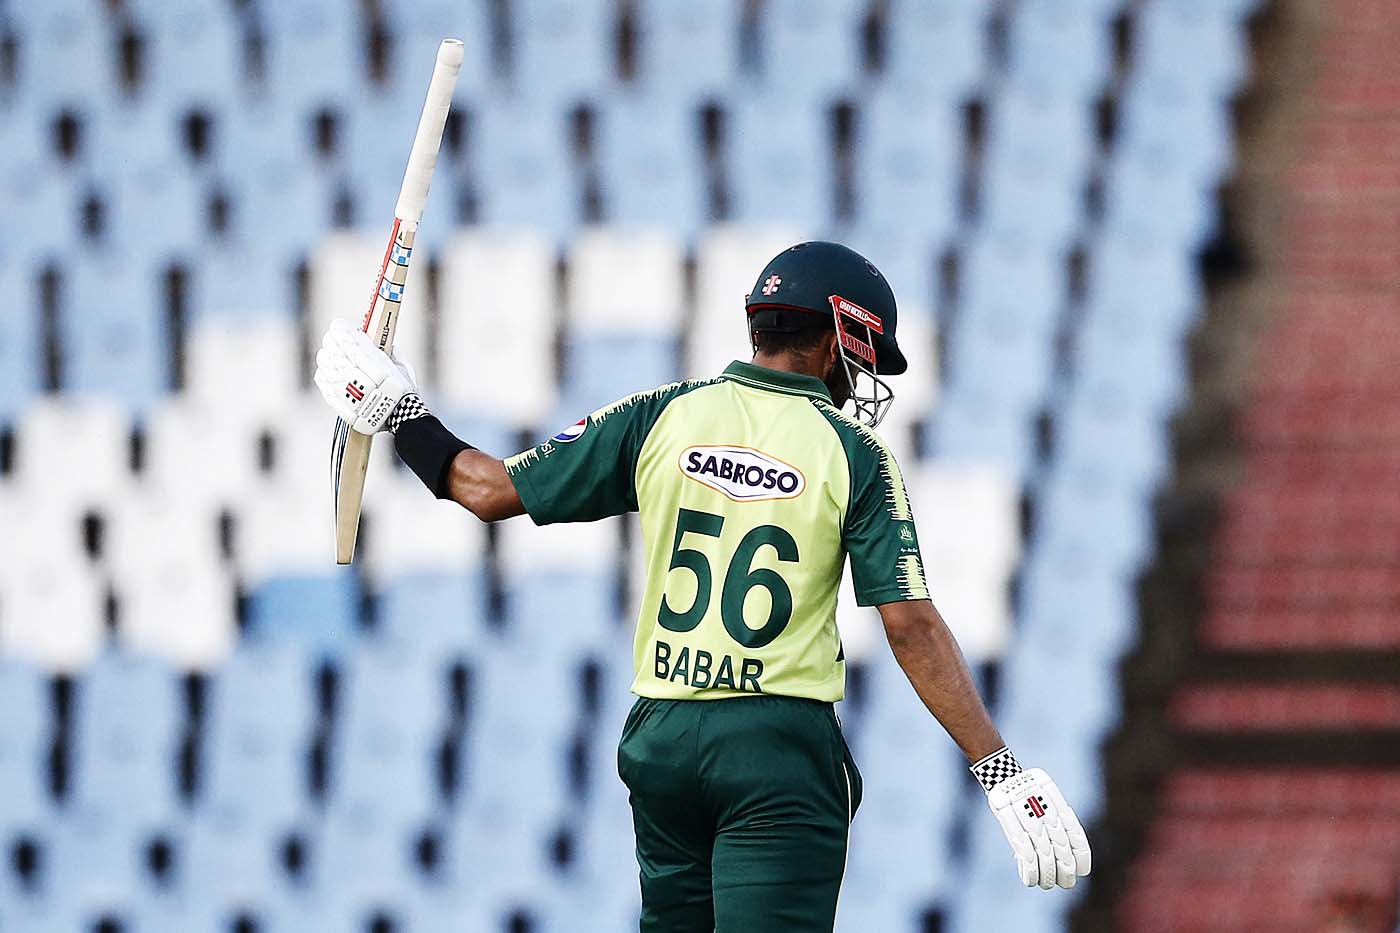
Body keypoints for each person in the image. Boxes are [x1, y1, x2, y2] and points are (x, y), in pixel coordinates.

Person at [314, 241, 1091, 931]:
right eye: (860, 355)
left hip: (662, 738)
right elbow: (910, 625)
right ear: (829, 337)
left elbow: (483, 490)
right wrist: (998, 766)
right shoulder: (853, 452)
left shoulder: (661, 413)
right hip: (774, 748)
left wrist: (400, 413)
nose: (861, 379)